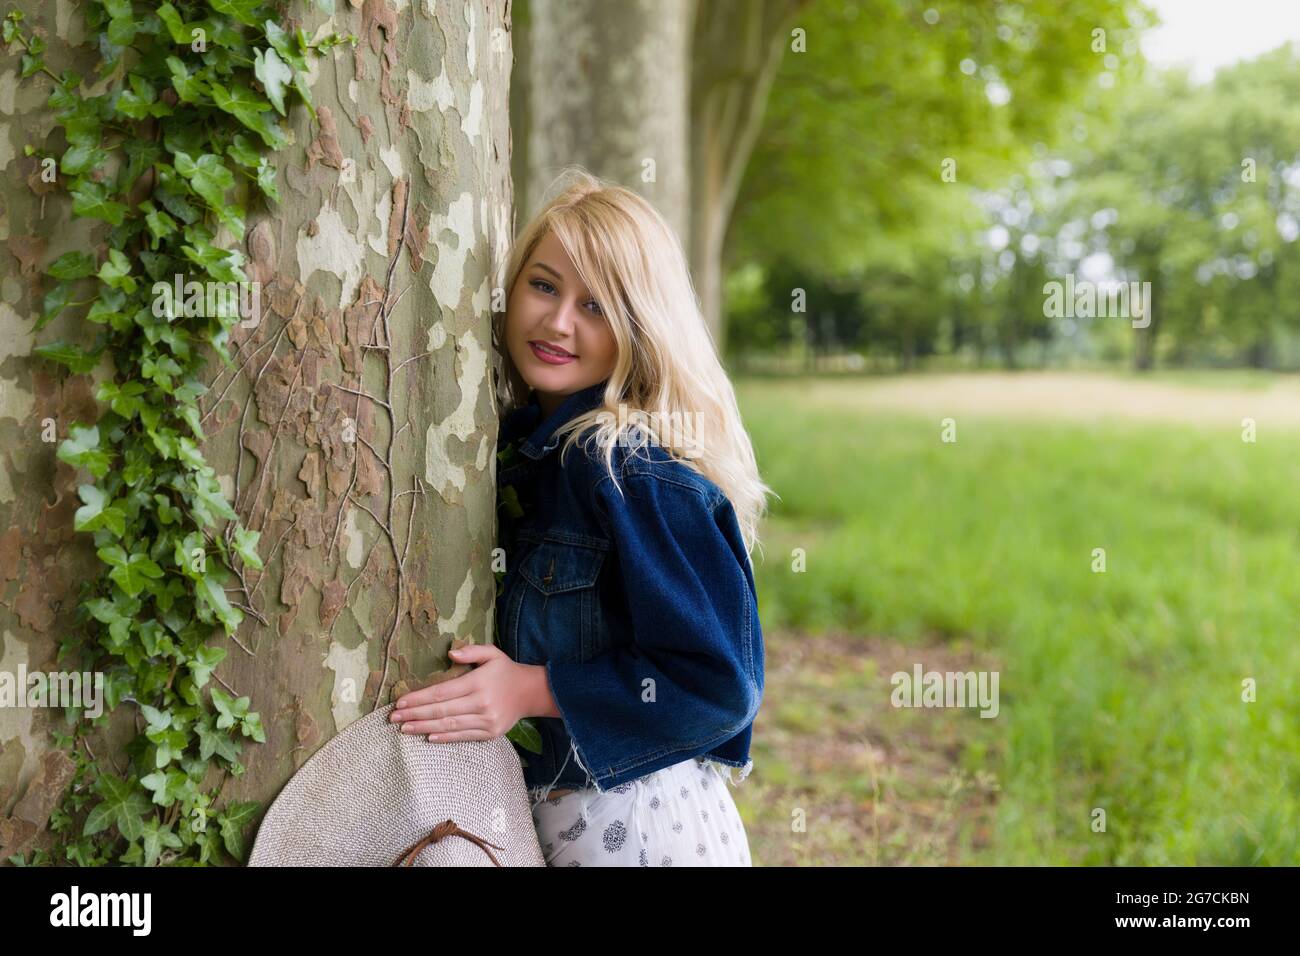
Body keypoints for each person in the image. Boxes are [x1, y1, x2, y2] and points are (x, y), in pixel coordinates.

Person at [388, 167, 775, 866]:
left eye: (595, 305)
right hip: (559, 822)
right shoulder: (518, 445)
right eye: (544, 285)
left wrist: (530, 689)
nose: (559, 321)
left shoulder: (628, 466)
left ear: (639, 324)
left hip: (641, 826)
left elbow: (718, 685)